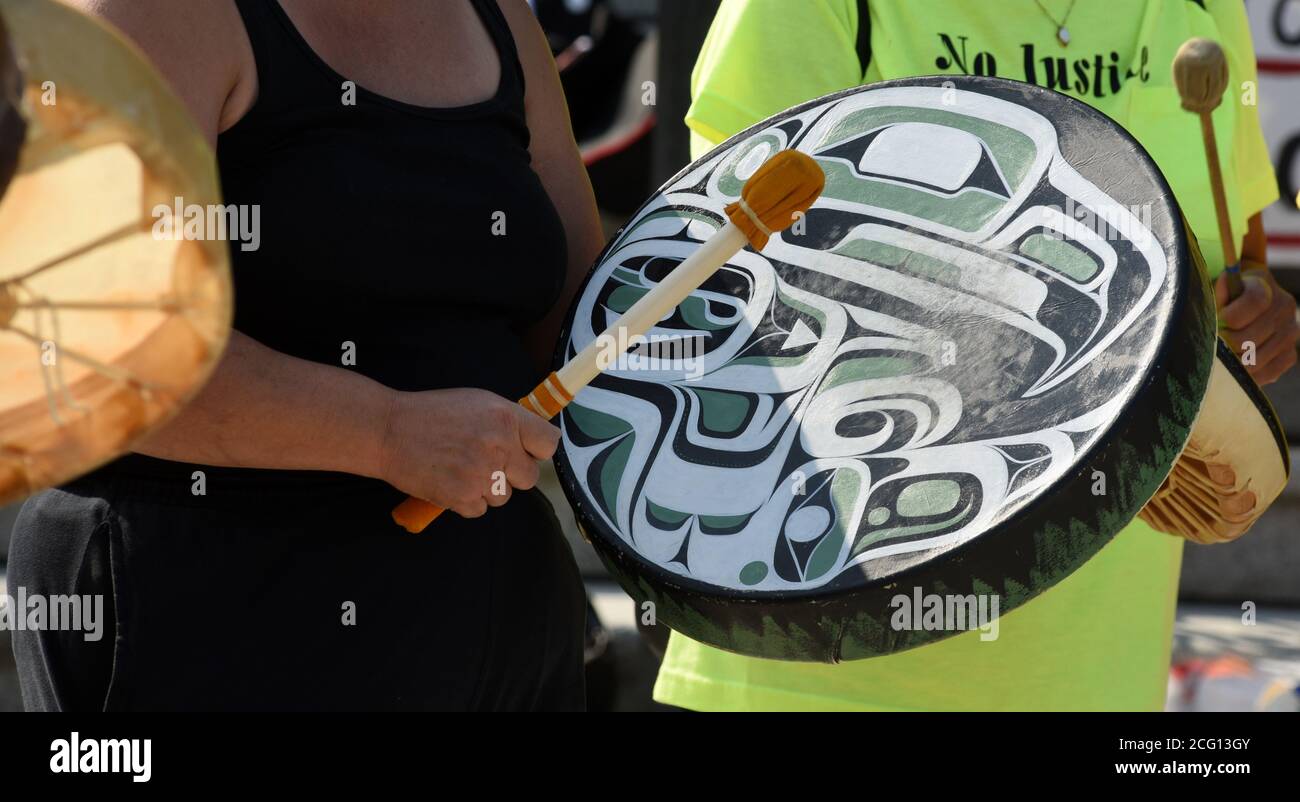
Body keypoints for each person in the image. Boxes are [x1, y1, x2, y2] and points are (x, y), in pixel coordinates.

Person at [654, 0, 1299, 711]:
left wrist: (1254, 317)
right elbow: (728, 277)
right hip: (823, 659)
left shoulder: (1204, 8)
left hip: (1097, 668)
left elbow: (1233, 267)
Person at [8, 0, 604, 711]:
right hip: (213, 602)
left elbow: (580, 316)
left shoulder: (500, 15)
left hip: (496, 612)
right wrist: (385, 431)